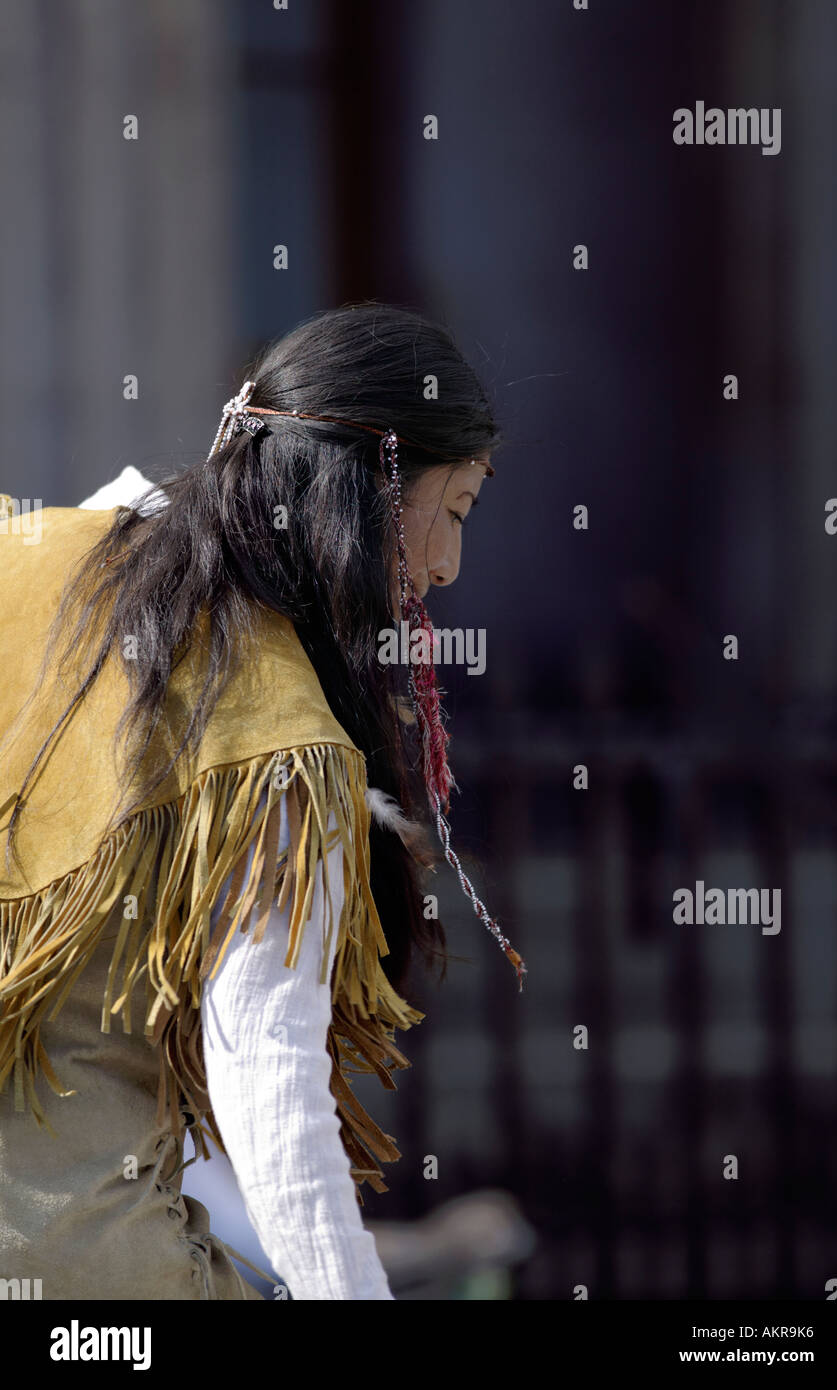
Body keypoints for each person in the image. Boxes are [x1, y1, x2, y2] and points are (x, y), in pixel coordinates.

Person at [0, 301, 524, 1300]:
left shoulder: (28, 565)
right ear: (376, 480)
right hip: (87, 1270)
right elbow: (271, 1087)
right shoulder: (274, 736)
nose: (449, 566)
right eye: (456, 508)